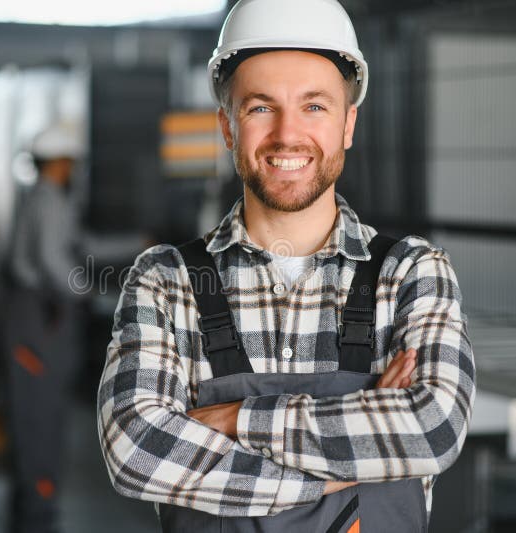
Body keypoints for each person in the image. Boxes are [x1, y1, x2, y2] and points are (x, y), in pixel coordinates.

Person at [98, 0, 475, 531]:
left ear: (348, 124)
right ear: (228, 127)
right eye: (260, 107)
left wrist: (233, 420)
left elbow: (434, 429)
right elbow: (135, 452)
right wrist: (346, 466)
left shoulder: (412, 274)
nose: (286, 135)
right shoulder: (165, 282)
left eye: (314, 107)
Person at [1, 123, 85, 533]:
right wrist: (88, 291)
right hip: (37, 326)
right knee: (39, 426)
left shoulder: (38, 198)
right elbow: (55, 262)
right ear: (61, 162)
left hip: (33, 322)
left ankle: (28, 519)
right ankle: (38, 522)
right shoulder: (50, 201)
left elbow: (74, 245)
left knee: (33, 426)